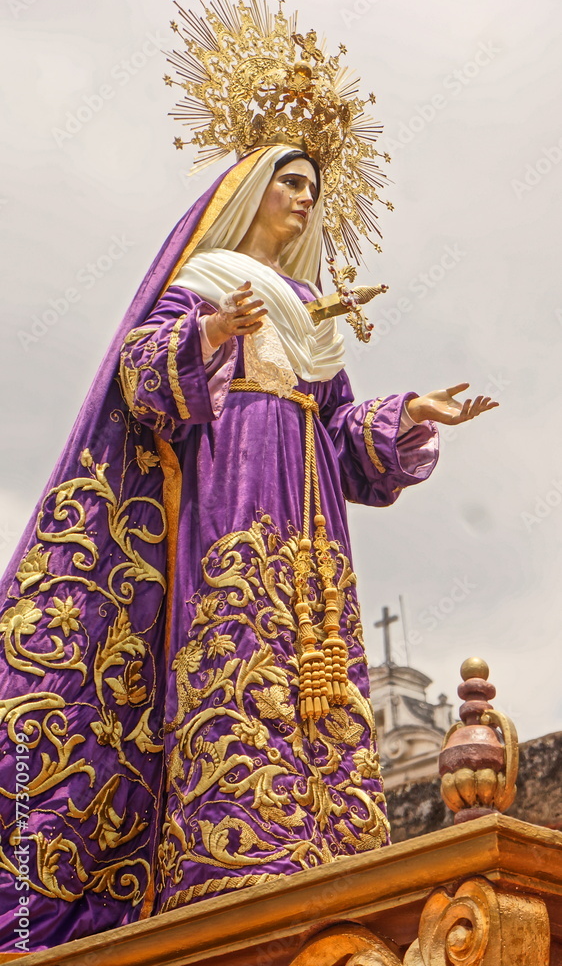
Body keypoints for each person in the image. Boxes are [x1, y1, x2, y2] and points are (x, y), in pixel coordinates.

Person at [0, 141, 497, 954]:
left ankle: (333, 848)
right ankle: (229, 859)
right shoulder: (205, 282)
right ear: (252, 191)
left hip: (313, 523)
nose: (305, 198)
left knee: (323, 672)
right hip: (227, 503)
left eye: (313, 188)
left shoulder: (308, 308)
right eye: (290, 183)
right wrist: (212, 333)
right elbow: (143, 376)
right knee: (239, 652)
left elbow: (339, 434)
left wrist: (406, 414)